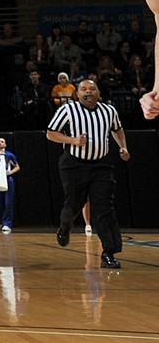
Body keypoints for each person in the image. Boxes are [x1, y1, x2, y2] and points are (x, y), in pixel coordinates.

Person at [47, 78, 129, 269]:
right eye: (84, 89)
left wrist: (123, 147)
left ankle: (109, 253)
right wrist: (73, 140)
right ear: (77, 93)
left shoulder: (109, 111)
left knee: (104, 209)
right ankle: (65, 226)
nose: (88, 92)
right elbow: (51, 133)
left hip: (101, 166)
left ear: (99, 93)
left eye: (92, 89)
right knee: (73, 205)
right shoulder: (68, 110)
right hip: (74, 165)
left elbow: (117, 129)